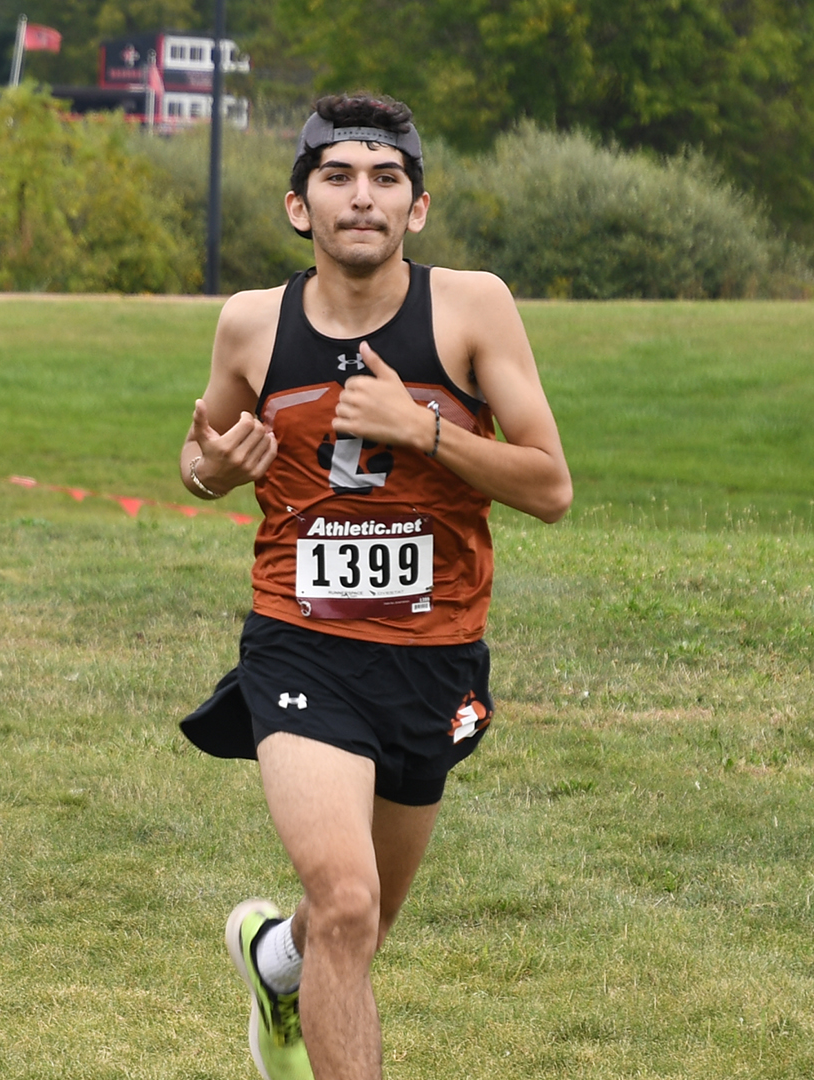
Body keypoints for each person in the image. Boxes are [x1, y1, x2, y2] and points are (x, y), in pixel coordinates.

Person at [177, 94, 572, 1080]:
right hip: (301, 646)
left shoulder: (472, 309)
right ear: (300, 207)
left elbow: (551, 487)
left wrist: (423, 428)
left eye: (386, 178)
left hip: (436, 659)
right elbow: (199, 453)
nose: (364, 197)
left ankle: (276, 964)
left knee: (361, 923)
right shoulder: (252, 325)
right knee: (347, 905)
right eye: (339, 177)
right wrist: (217, 470)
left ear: (418, 208)